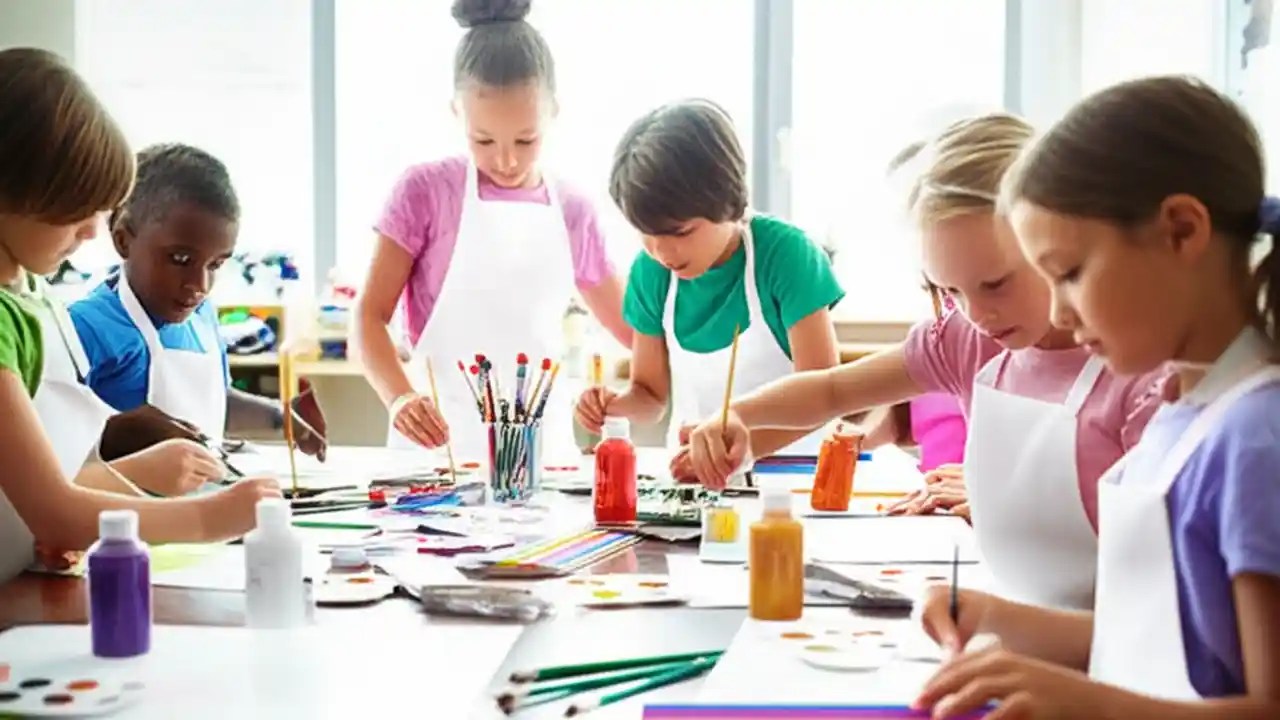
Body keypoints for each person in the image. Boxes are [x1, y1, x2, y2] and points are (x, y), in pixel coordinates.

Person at [688, 112, 1164, 611]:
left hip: (1105, 645)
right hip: (1008, 616)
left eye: (995, 284)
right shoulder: (965, 338)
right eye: (949, 290)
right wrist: (738, 415)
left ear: (1058, 241)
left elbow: (1155, 588)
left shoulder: (1140, 373)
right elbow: (832, 390)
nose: (976, 313)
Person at [914, 75, 1280, 719]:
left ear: (1182, 230)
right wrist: (994, 617)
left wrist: (1095, 706)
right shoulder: (1184, 408)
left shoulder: (1255, 437)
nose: (1059, 309)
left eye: (1071, 273)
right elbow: (1153, 643)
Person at [0, 47, 279, 583]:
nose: (88, 233)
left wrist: (127, 479)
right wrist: (206, 517)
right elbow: (54, 510)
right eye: (72, 211)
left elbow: (63, 468)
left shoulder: (34, 291)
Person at [352, 0, 632, 462]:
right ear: (456, 114)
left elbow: (637, 334)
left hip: (542, 456)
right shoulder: (424, 192)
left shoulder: (573, 210)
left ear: (554, 112)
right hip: (437, 454)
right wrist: (399, 397)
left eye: (526, 140)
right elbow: (368, 317)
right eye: (482, 140)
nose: (506, 160)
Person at [573, 99, 844, 473]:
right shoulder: (650, 273)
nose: (662, 251)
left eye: (680, 232)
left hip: (795, 479)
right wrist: (613, 405)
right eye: (646, 234)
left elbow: (821, 396)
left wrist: (733, 454)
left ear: (728, 200)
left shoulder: (787, 255)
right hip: (694, 481)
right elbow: (650, 395)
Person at [69, 143, 328, 463]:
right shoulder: (85, 327)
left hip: (198, 503)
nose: (199, 285)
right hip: (122, 506)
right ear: (123, 240)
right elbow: (52, 435)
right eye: (180, 259)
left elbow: (218, 404)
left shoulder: (201, 316)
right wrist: (113, 433)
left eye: (215, 264)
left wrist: (283, 418)